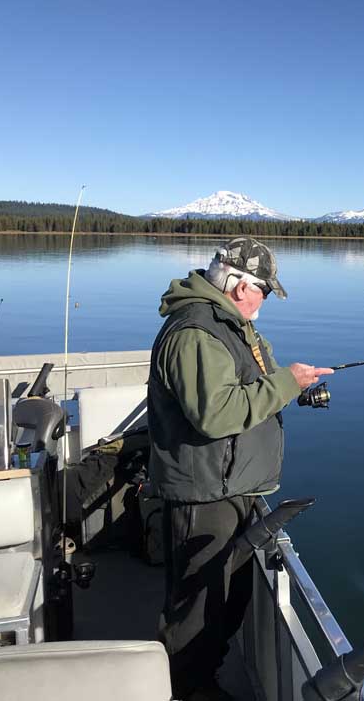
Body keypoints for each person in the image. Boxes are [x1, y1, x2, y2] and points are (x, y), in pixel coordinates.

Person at [147, 237, 333, 700]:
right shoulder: (195, 332)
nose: (265, 301)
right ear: (236, 285)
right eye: (264, 291)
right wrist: (286, 382)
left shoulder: (233, 325)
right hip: (203, 492)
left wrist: (294, 388)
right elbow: (217, 413)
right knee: (196, 608)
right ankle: (185, 689)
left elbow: (257, 384)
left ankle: (201, 677)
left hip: (232, 486)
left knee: (226, 602)